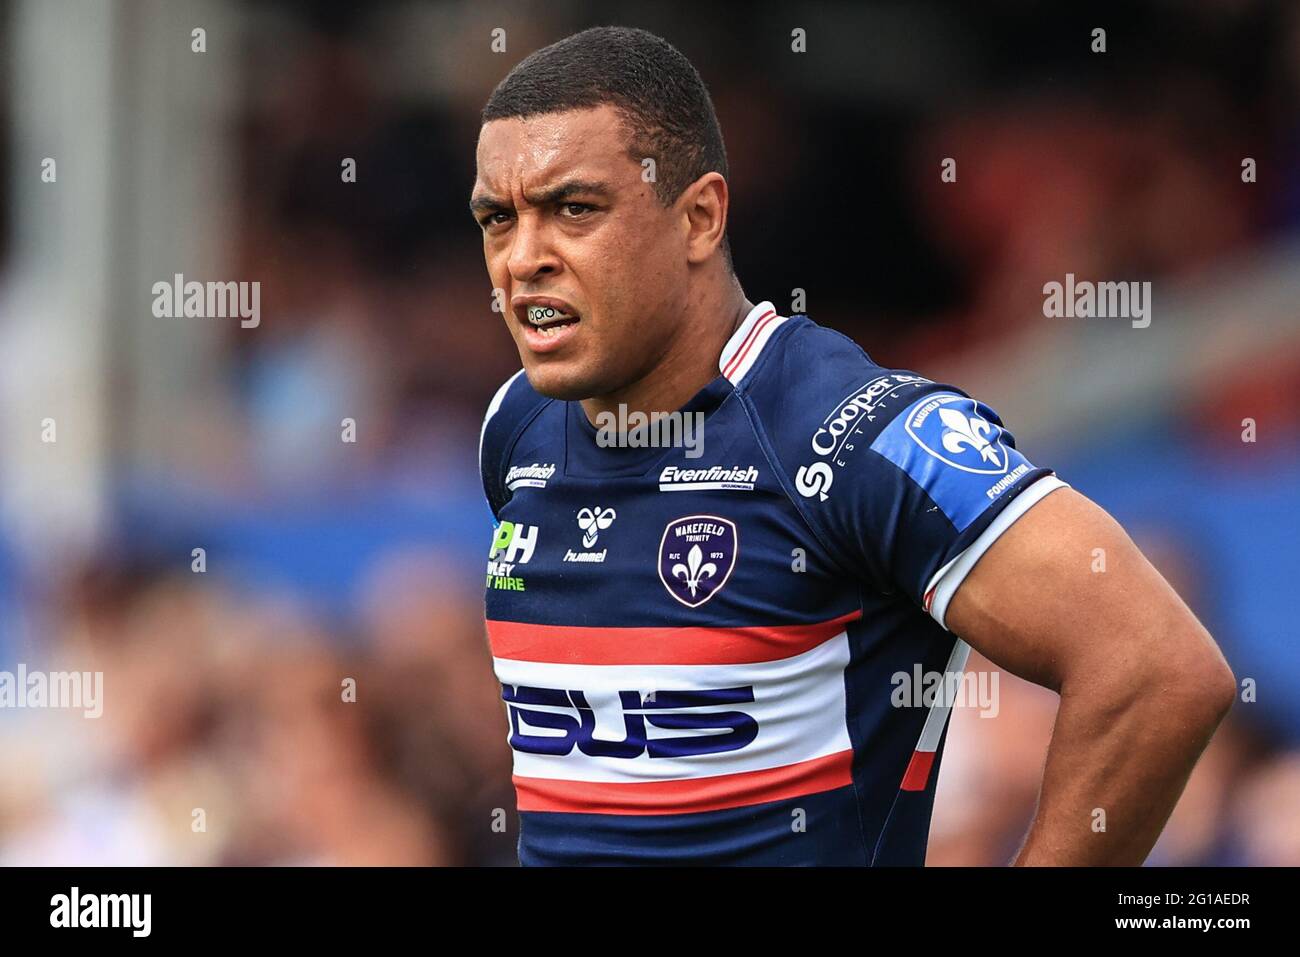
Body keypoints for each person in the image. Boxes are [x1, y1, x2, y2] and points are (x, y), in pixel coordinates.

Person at [470, 25, 1235, 865]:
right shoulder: (518, 428)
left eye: (573, 208)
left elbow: (1158, 669)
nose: (523, 259)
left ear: (698, 216)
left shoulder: (858, 434)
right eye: (497, 219)